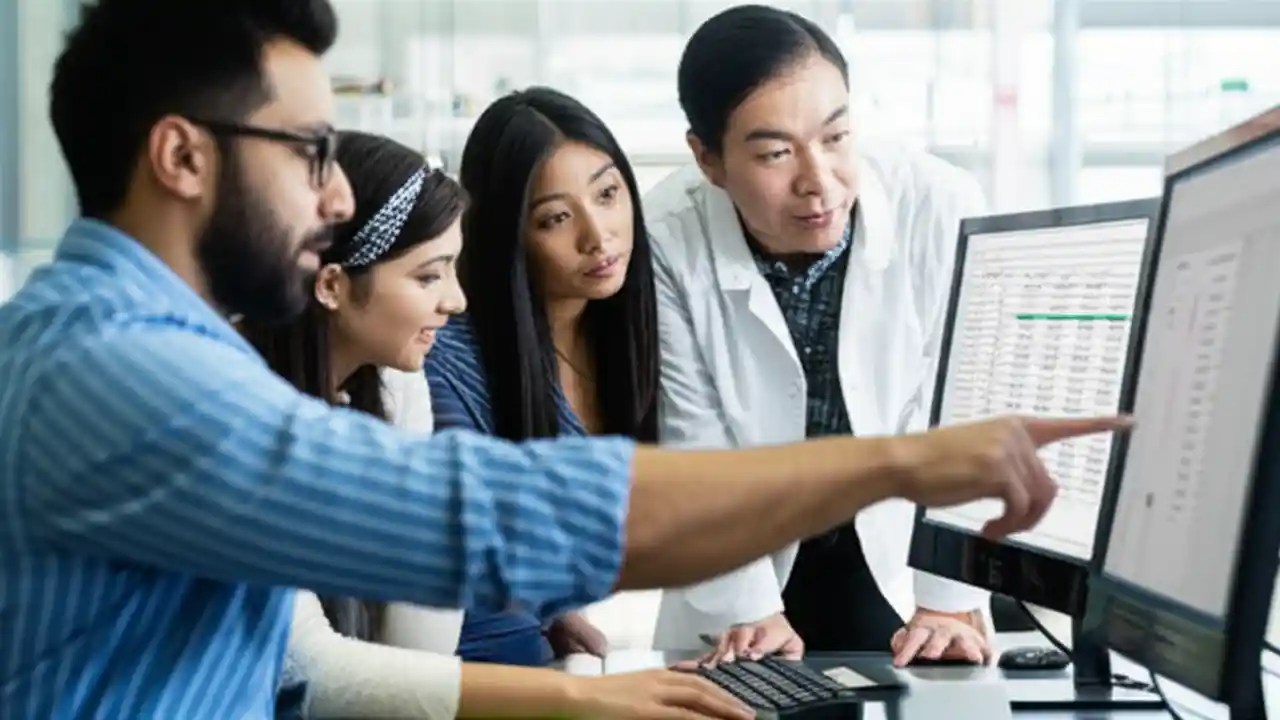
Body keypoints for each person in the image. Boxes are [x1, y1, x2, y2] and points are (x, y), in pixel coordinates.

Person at [0, 1, 1125, 716]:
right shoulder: (119, 374)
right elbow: (477, 517)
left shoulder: (142, 346)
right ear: (181, 158)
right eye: (308, 151)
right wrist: (901, 463)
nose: (337, 198)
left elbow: (292, 658)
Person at [243, 130, 748, 719]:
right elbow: (311, 670)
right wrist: (580, 696)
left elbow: (419, 639)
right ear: (332, 285)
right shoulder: (247, 423)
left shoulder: (395, 388)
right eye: (428, 276)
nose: (455, 301)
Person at [644, 4, 995, 667]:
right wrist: (748, 610)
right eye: (775, 154)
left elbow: (963, 407)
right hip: (735, 558)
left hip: (899, 552)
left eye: (836, 137)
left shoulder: (939, 204)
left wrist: (947, 597)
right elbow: (693, 436)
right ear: (708, 158)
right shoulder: (665, 235)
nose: (819, 181)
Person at [425, 87, 656, 667]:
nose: (597, 236)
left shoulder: (641, 327)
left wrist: (554, 612)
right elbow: (480, 607)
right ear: (507, 234)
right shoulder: (449, 363)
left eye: (607, 194)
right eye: (556, 218)